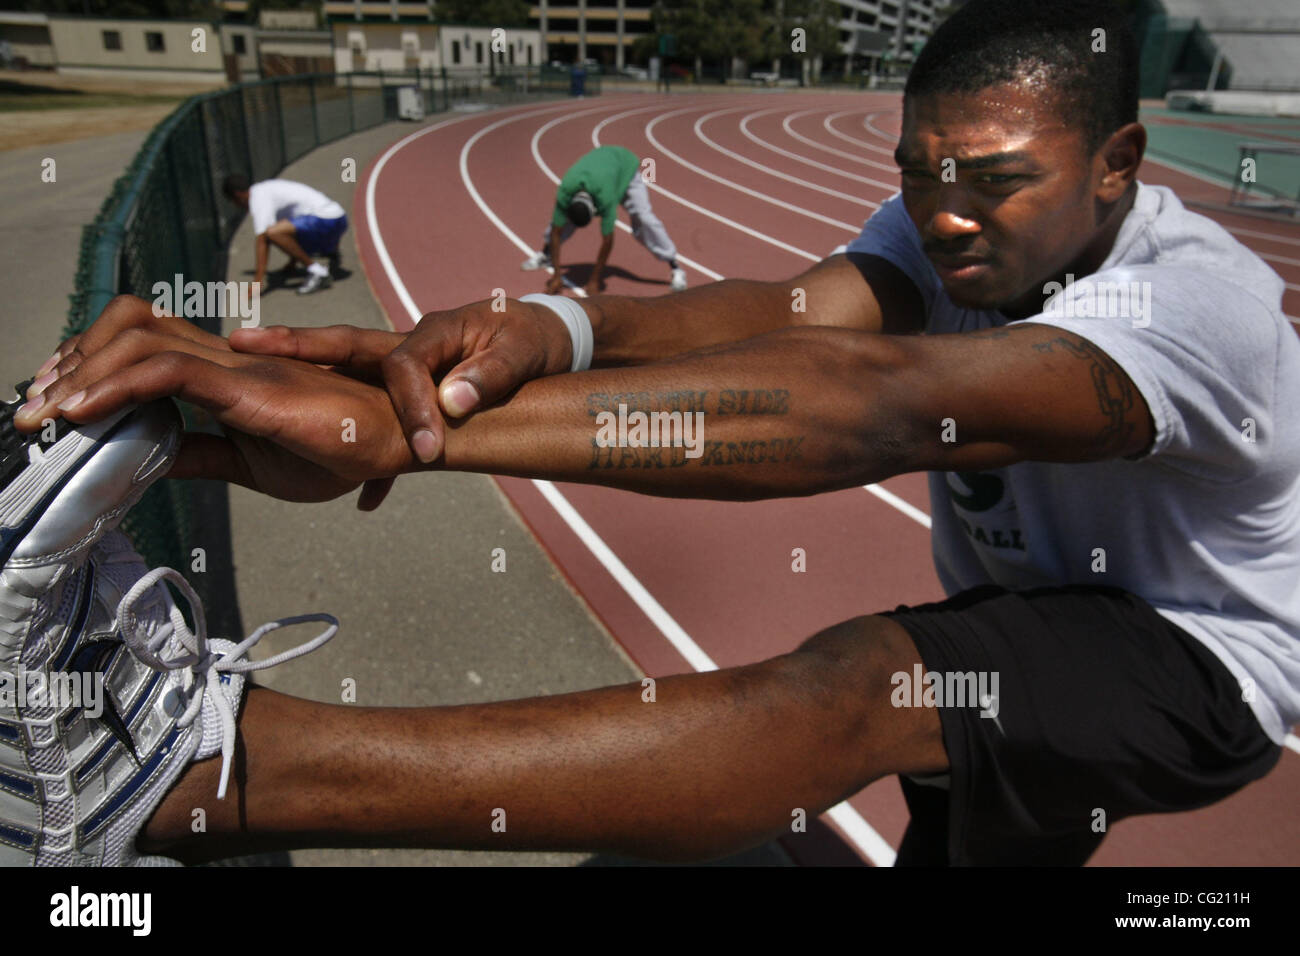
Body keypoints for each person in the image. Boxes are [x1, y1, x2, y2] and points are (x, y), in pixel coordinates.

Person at [8, 0, 1297, 866]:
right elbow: (788, 314)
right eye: (919, 171)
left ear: (1118, 161)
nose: (944, 215)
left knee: (867, 686)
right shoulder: (943, 227)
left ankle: (203, 776)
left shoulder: (1193, 309)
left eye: (996, 179)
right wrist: (539, 328)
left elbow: (868, 408)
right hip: (1036, 617)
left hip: (1201, 654)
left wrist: (403, 434)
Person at [521, 144, 688, 295]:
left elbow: (607, 240)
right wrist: (557, 275)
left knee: (644, 218)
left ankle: (676, 268)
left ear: (595, 210)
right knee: (559, 224)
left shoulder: (605, 198)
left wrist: (595, 279)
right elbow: (556, 231)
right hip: (602, 169)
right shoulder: (565, 192)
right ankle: (545, 254)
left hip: (625, 167)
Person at [221, 173, 347, 296]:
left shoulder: (258, 198)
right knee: (284, 229)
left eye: (233, 201)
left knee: (272, 233)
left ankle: (318, 272)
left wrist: (257, 282)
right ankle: (329, 250)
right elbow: (292, 231)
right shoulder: (265, 188)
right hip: (339, 219)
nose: (236, 206)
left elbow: (262, 239)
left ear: (238, 195)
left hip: (325, 220)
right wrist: (292, 263)